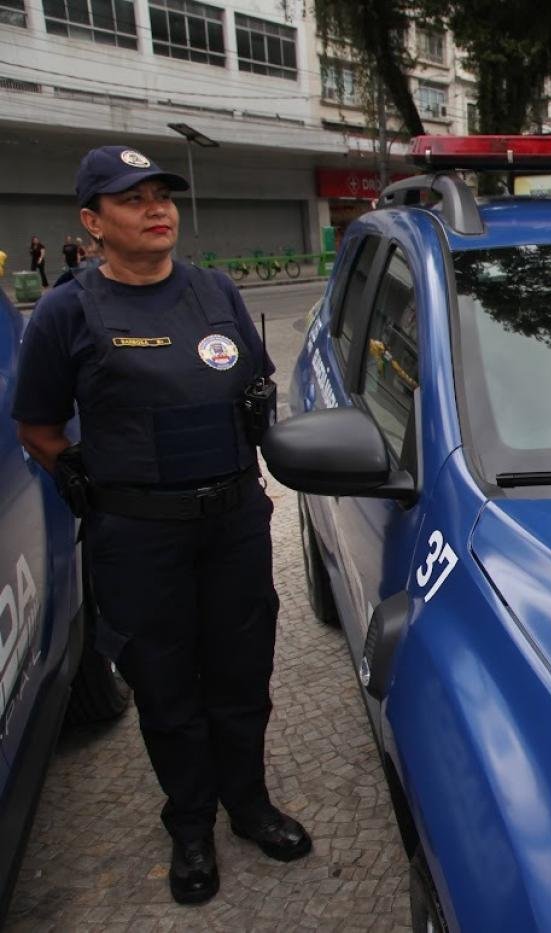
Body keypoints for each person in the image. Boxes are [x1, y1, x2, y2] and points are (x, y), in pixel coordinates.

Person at [9, 145, 309, 906]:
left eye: (162, 195)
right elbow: (39, 426)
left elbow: (252, 383)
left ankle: (248, 804)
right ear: (92, 221)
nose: (156, 208)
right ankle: (190, 826)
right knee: (166, 687)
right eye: (131, 198)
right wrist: (91, 483)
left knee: (242, 674)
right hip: (141, 536)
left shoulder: (213, 290)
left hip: (234, 520)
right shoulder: (66, 310)